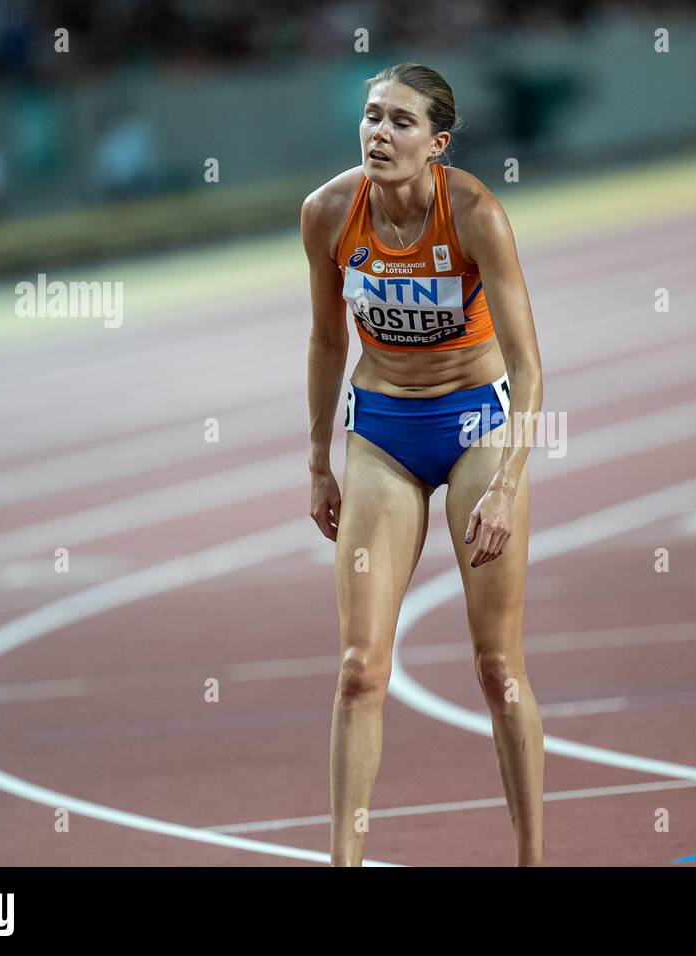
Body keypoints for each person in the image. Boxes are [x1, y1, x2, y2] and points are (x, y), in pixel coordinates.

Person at [301, 62, 546, 866]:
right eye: (372, 116)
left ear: (437, 144)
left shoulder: (474, 212)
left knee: (496, 667)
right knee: (358, 669)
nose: (379, 133)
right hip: (380, 434)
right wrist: (317, 456)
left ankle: (532, 860)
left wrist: (508, 485)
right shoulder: (329, 214)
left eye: (401, 122)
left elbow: (529, 367)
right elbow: (328, 338)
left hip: (474, 423)